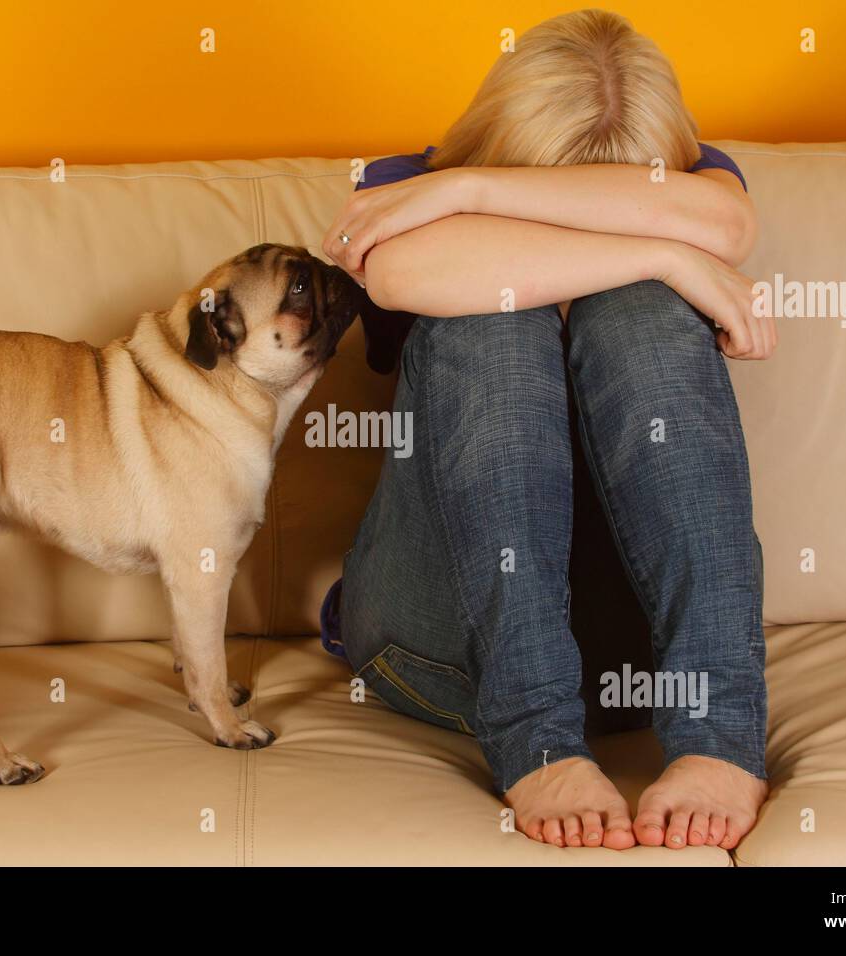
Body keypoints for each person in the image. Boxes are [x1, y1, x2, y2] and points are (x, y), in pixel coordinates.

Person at [320, 8, 775, 850]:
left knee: (638, 316)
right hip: (442, 643)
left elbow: (727, 227)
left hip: (643, 663)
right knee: (489, 316)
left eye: (608, 203)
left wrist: (477, 196)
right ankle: (536, 733)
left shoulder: (703, 184)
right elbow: (400, 271)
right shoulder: (401, 182)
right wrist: (658, 253)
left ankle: (718, 732)